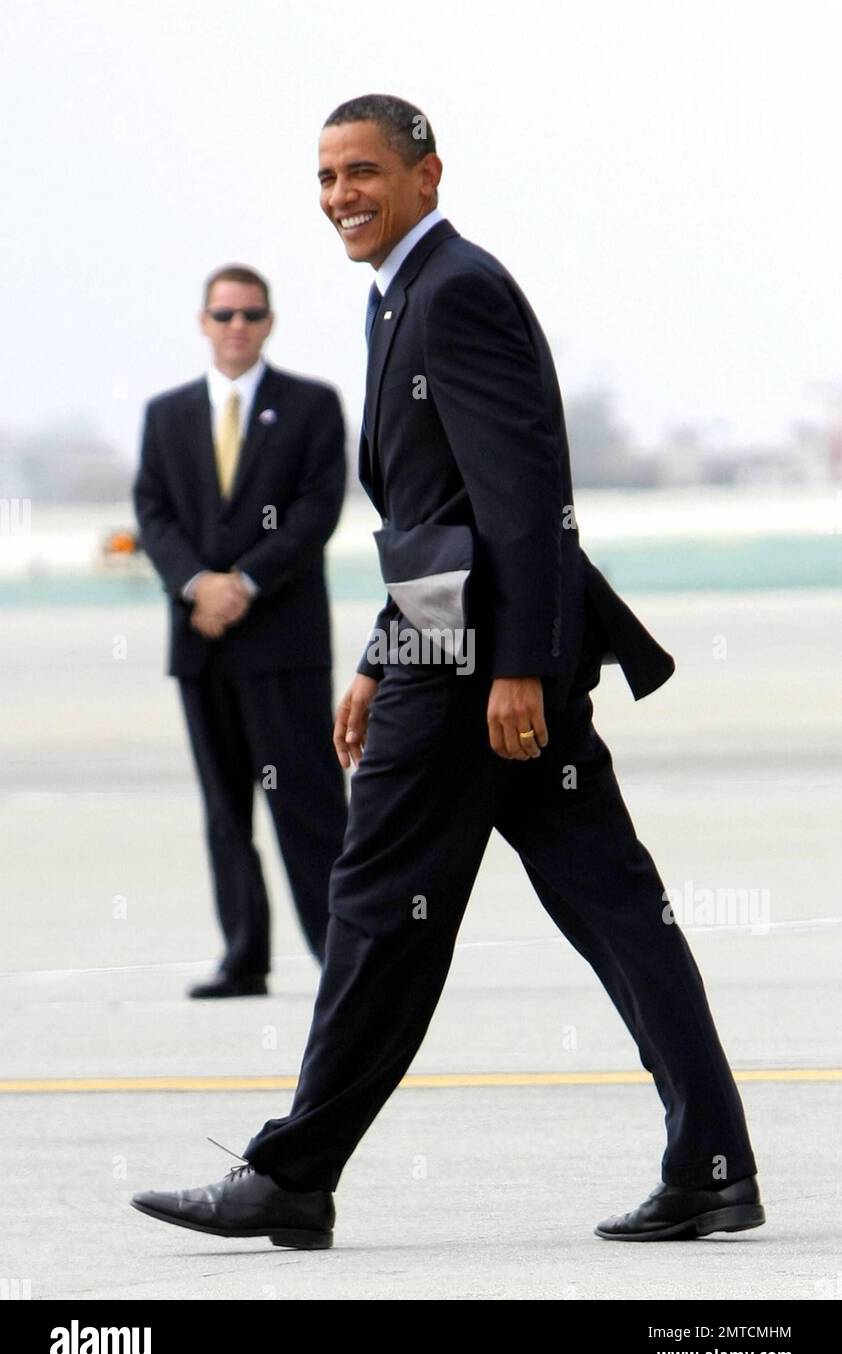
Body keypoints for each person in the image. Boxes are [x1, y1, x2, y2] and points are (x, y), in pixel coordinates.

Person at [132, 99, 764, 1244]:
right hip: (454, 652)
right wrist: (380, 655)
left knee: (377, 907)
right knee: (618, 909)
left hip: (475, 670)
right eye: (324, 176)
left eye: (362, 171)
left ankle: (293, 1171)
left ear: (427, 175)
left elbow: (520, 498)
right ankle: (712, 1163)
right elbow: (439, 513)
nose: (339, 195)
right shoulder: (404, 297)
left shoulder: (453, 289)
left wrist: (513, 670)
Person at [133, 264, 347, 998]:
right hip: (201, 643)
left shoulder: (311, 407)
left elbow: (317, 512)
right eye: (224, 315)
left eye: (251, 315)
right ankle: (244, 956)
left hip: (283, 645)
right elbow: (153, 514)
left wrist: (244, 583)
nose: (237, 327)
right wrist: (198, 585)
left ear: (270, 323)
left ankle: (341, 959)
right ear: (203, 322)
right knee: (226, 810)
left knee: (309, 806)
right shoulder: (167, 416)